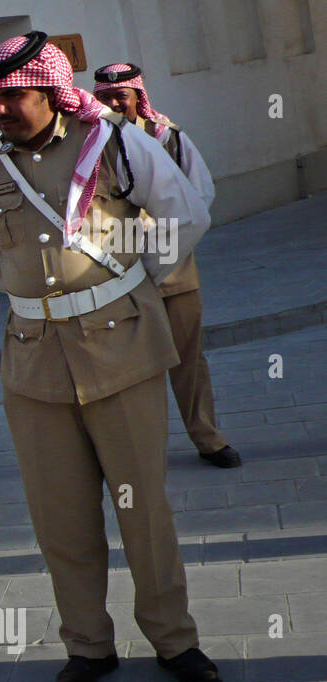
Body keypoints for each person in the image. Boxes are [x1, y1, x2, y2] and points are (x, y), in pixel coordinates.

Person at [0, 32, 224, 682]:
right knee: (60, 517)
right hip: (35, 365)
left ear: (51, 91)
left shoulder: (117, 145)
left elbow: (182, 215)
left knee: (143, 510)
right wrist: (33, 288)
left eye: (14, 96)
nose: (2, 109)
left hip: (122, 351)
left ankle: (175, 640)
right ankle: (87, 648)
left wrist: (127, 283)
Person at [93, 62, 240, 469]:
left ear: (138, 96)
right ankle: (138, 449)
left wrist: (163, 236)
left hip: (173, 267)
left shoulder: (166, 137)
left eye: (120, 95)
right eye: (103, 97)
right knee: (129, 369)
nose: (112, 103)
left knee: (188, 359)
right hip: (119, 272)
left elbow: (200, 195)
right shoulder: (90, 144)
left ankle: (207, 437)